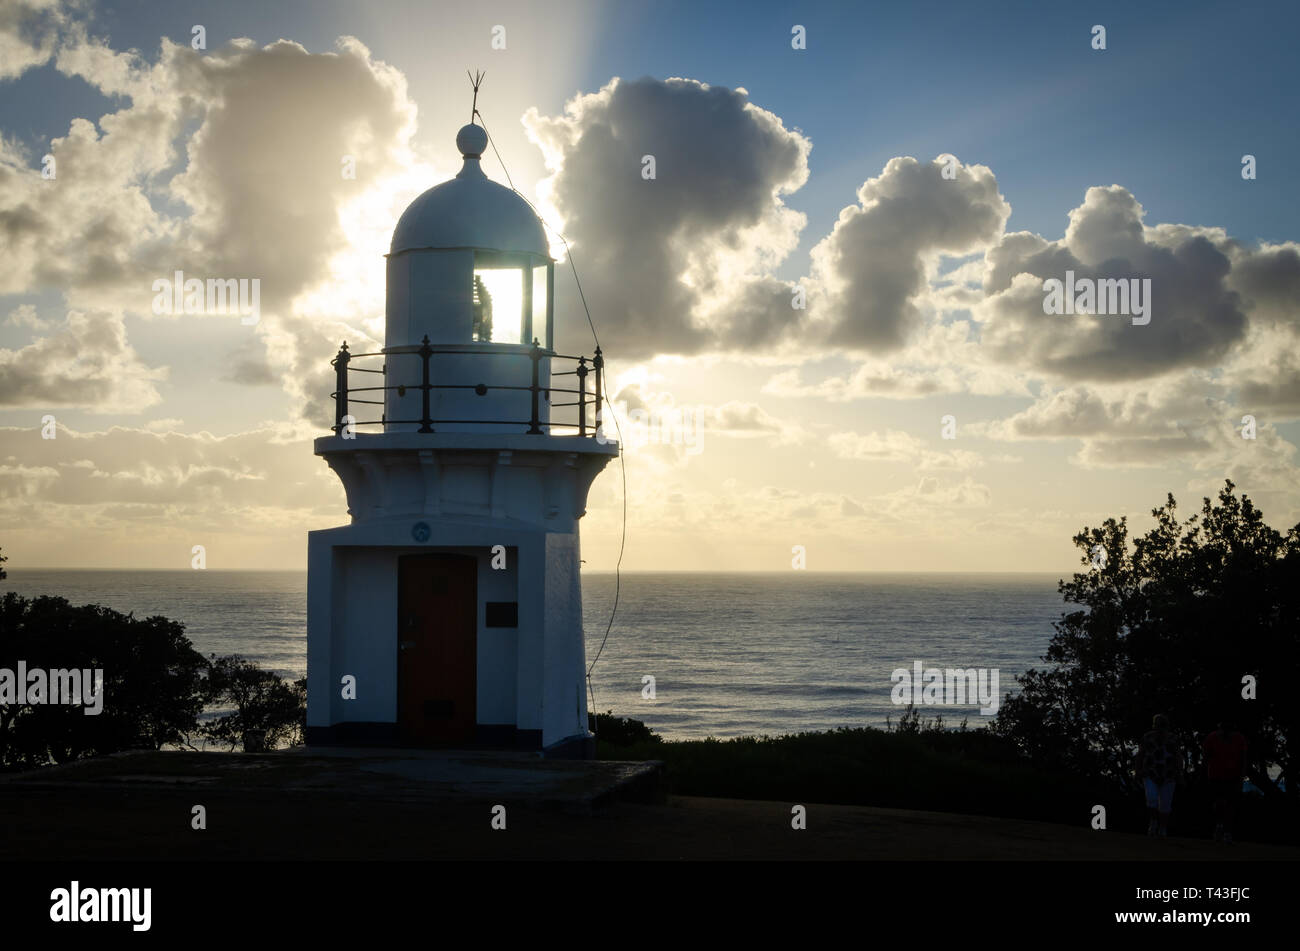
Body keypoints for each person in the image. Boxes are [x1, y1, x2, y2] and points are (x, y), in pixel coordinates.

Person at [1135, 714, 1181, 837]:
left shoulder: (1173, 739)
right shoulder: (1147, 737)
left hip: (1168, 775)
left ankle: (1162, 828)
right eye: (1157, 725)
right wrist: (1137, 770)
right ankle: (1154, 822)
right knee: (1151, 799)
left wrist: (1178, 772)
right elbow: (1140, 754)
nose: (1159, 728)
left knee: (1165, 805)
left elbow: (1177, 756)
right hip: (1150, 772)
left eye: (1161, 725)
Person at [1202, 718, 1248, 844]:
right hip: (1215, 776)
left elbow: (1243, 759)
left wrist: (1241, 777)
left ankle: (1226, 831)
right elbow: (1206, 757)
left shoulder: (1239, 739)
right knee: (1219, 804)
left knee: (1229, 805)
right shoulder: (1212, 738)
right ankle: (1219, 827)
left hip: (1232, 777)